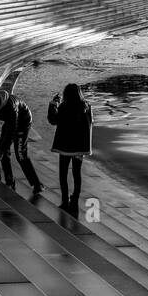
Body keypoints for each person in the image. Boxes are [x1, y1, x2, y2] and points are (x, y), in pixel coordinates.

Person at [0, 90, 43, 193]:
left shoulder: (11, 108)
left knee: (21, 155)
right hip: (9, 122)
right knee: (4, 153)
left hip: (23, 122)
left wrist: (1, 151)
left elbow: (11, 132)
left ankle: (37, 184)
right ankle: (9, 182)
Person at [48, 83, 92, 215]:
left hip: (65, 146)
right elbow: (90, 126)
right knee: (76, 173)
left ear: (66, 94)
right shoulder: (86, 107)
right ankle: (75, 197)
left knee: (63, 173)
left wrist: (53, 104)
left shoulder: (64, 106)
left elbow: (53, 120)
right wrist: (86, 147)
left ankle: (64, 199)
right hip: (79, 147)